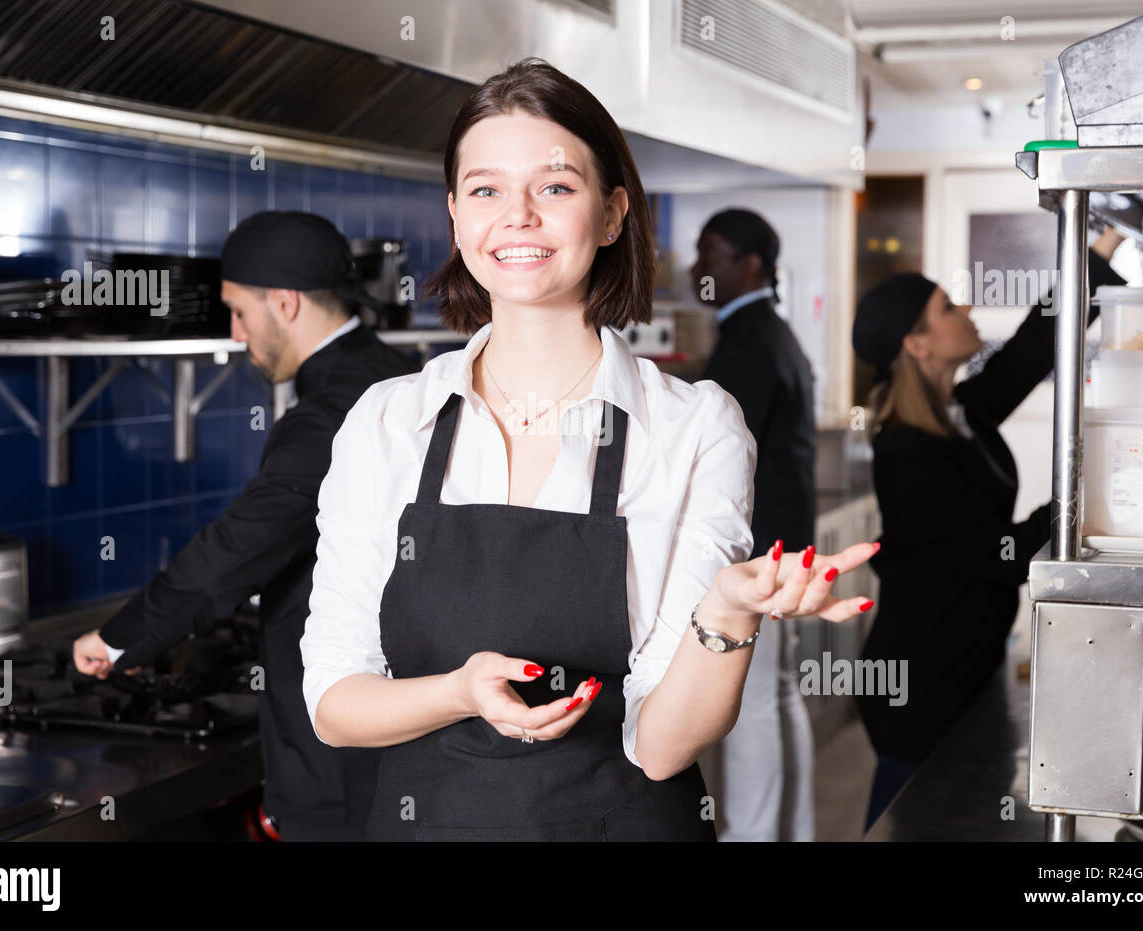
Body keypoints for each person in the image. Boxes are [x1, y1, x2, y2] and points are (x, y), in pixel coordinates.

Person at [300, 58, 877, 842]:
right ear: (457, 217)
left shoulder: (694, 426)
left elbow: (665, 742)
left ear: (611, 215)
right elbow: (335, 704)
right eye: (486, 189)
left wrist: (728, 611)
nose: (518, 216)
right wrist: (462, 692)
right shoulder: (387, 421)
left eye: (556, 186)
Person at [72, 211, 417, 841]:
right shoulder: (390, 372)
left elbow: (242, 545)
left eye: (239, 312)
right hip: (390, 737)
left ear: (284, 303)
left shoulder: (332, 410)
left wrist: (122, 636)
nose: (236, 334)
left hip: (343, 759)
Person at [851, 228, 1126, 831]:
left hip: (965, 664)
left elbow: (1032, 351)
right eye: (947, 307)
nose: (967, 308)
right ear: (917, 345)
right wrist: (1102, 489)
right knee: (914, 818)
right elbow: (1004, 554)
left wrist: (1091, 260)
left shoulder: (962, 411)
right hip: (919, 684)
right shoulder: (908, 452)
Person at [691, 208, 818, 841]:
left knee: (755, 707)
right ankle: (789, 830)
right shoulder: (772, 331)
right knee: (780, 697)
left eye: (709, 254)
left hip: (758, 555)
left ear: (748, 265)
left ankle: (755, 835)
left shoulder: (747, 340)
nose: (697, 268)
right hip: (782, 547)